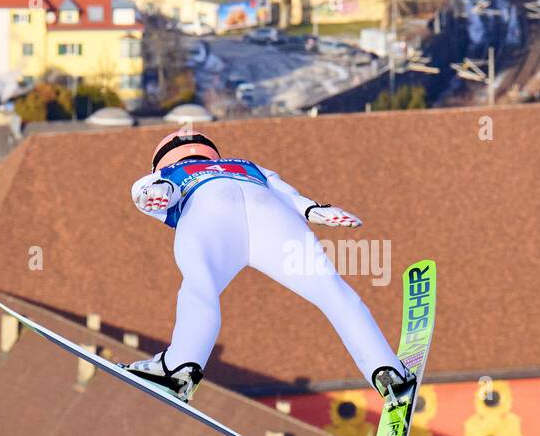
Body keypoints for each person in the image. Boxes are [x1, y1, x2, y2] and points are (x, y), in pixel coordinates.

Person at [126, 129, 414, 407]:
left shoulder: (167, 174)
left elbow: (151, 191)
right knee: (332, 291)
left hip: (208, 211)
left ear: (162, 160)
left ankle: (181, 368)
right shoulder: (244, 164)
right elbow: (290, 197)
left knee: (200, 290)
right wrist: (317, 211)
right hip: (270, 215)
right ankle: (389, 373)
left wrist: (155, 192)